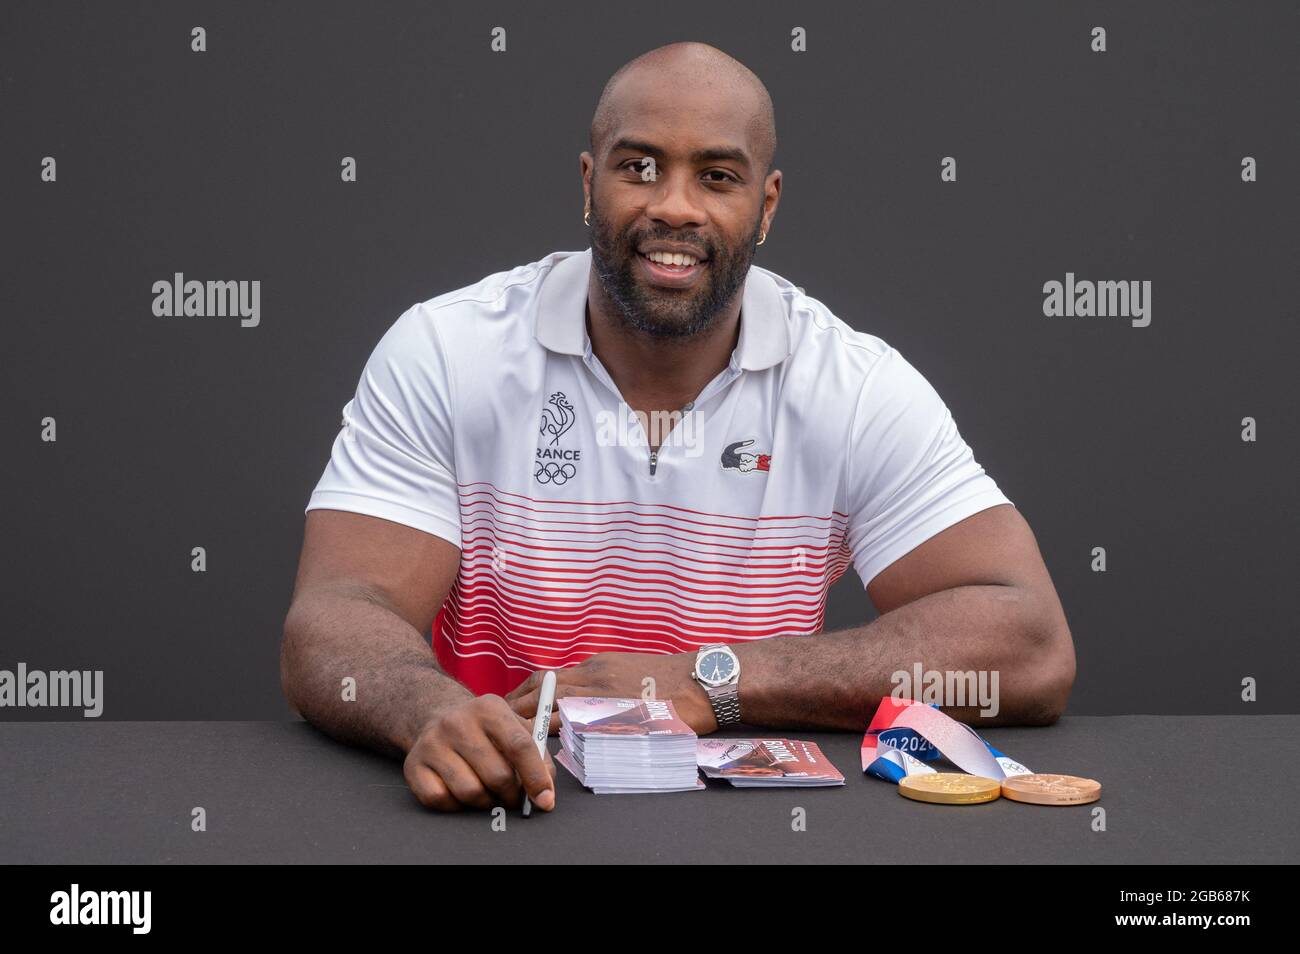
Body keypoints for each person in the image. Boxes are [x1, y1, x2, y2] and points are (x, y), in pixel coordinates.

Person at [281, 42, 1076, 813]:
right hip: (507, 814)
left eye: (718, 176)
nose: (674, 206)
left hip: (744, 831)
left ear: (764, 207)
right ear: (589, 184)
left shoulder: (854, 387)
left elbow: (1031, 644)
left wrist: (709, 681)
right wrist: (427, 713)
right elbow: (338, 609)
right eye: (639, 168)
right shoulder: (446, 352)